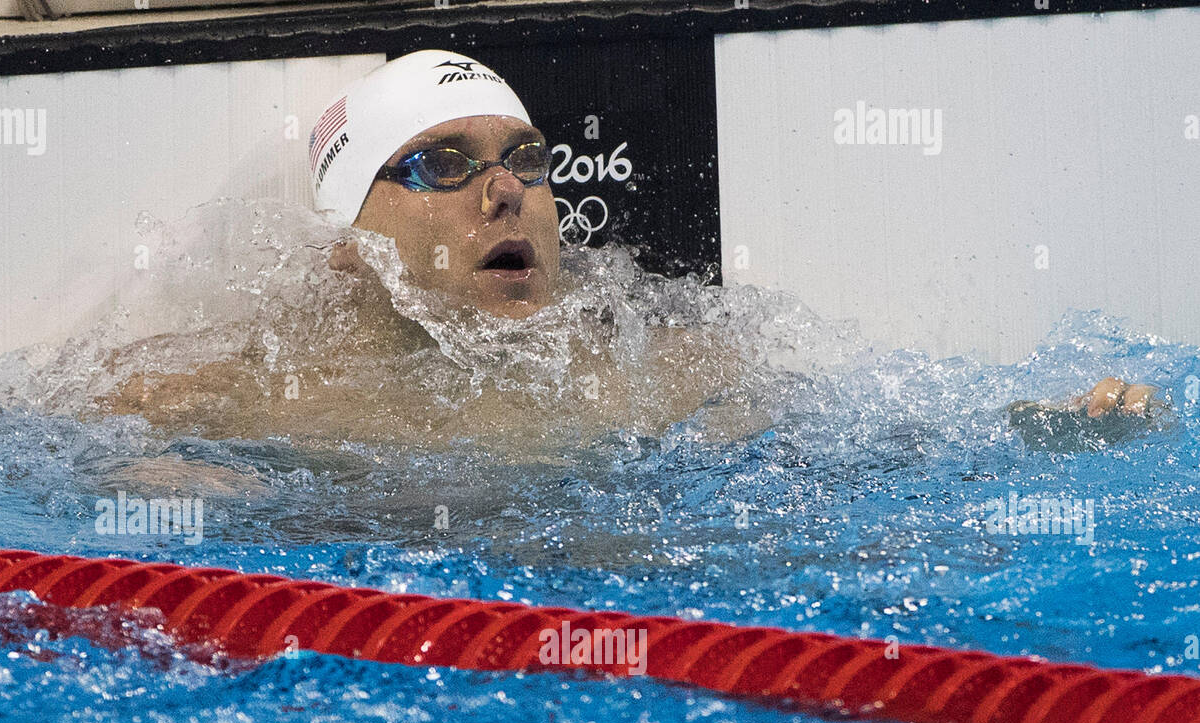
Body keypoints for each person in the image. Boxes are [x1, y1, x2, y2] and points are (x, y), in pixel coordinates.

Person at [100, 48, 1159, 455]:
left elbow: (871, 448)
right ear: (347, 246)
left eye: (524, 157)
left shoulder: (664, 368)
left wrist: (1036, 434)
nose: (506, 189)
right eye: (442, 166)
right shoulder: (244, 395)